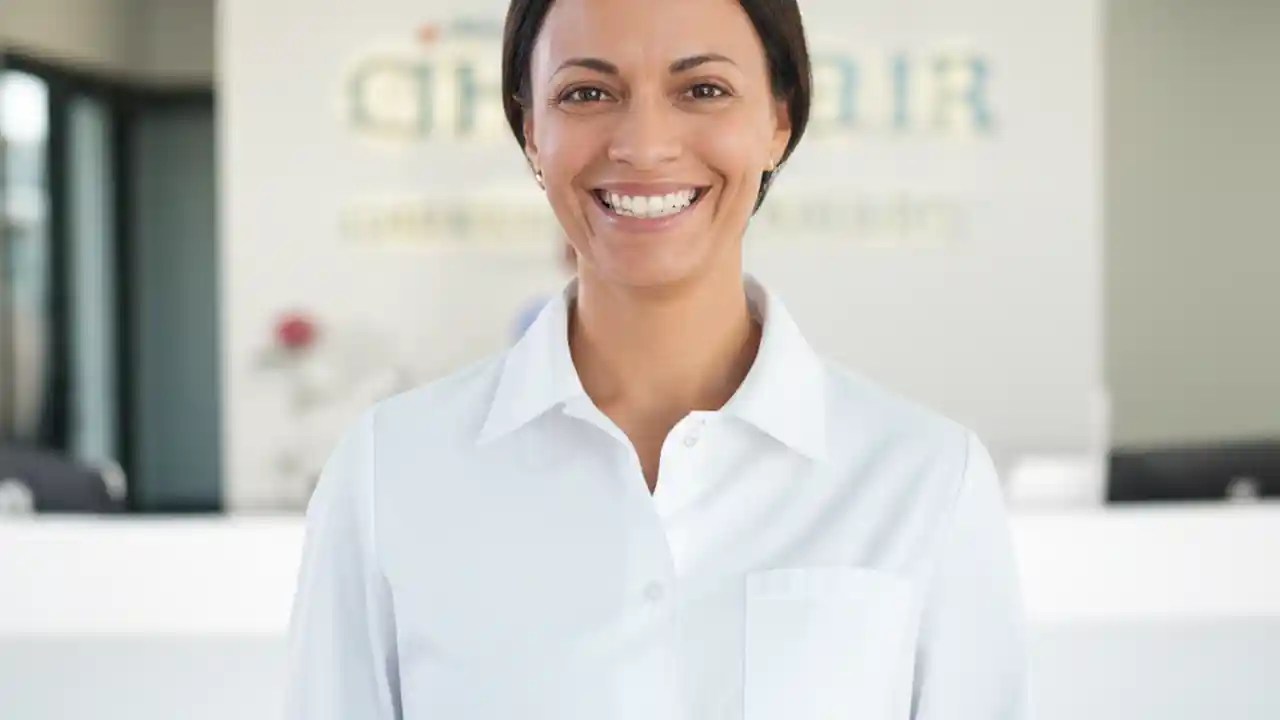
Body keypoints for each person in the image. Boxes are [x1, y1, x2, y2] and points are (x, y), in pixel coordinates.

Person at [284, 0, 1032, 718]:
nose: (643, 145)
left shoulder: (924, 478)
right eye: (587, 92)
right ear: (530, 130)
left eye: (703, 89)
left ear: (779, 119)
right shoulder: (391, 473)